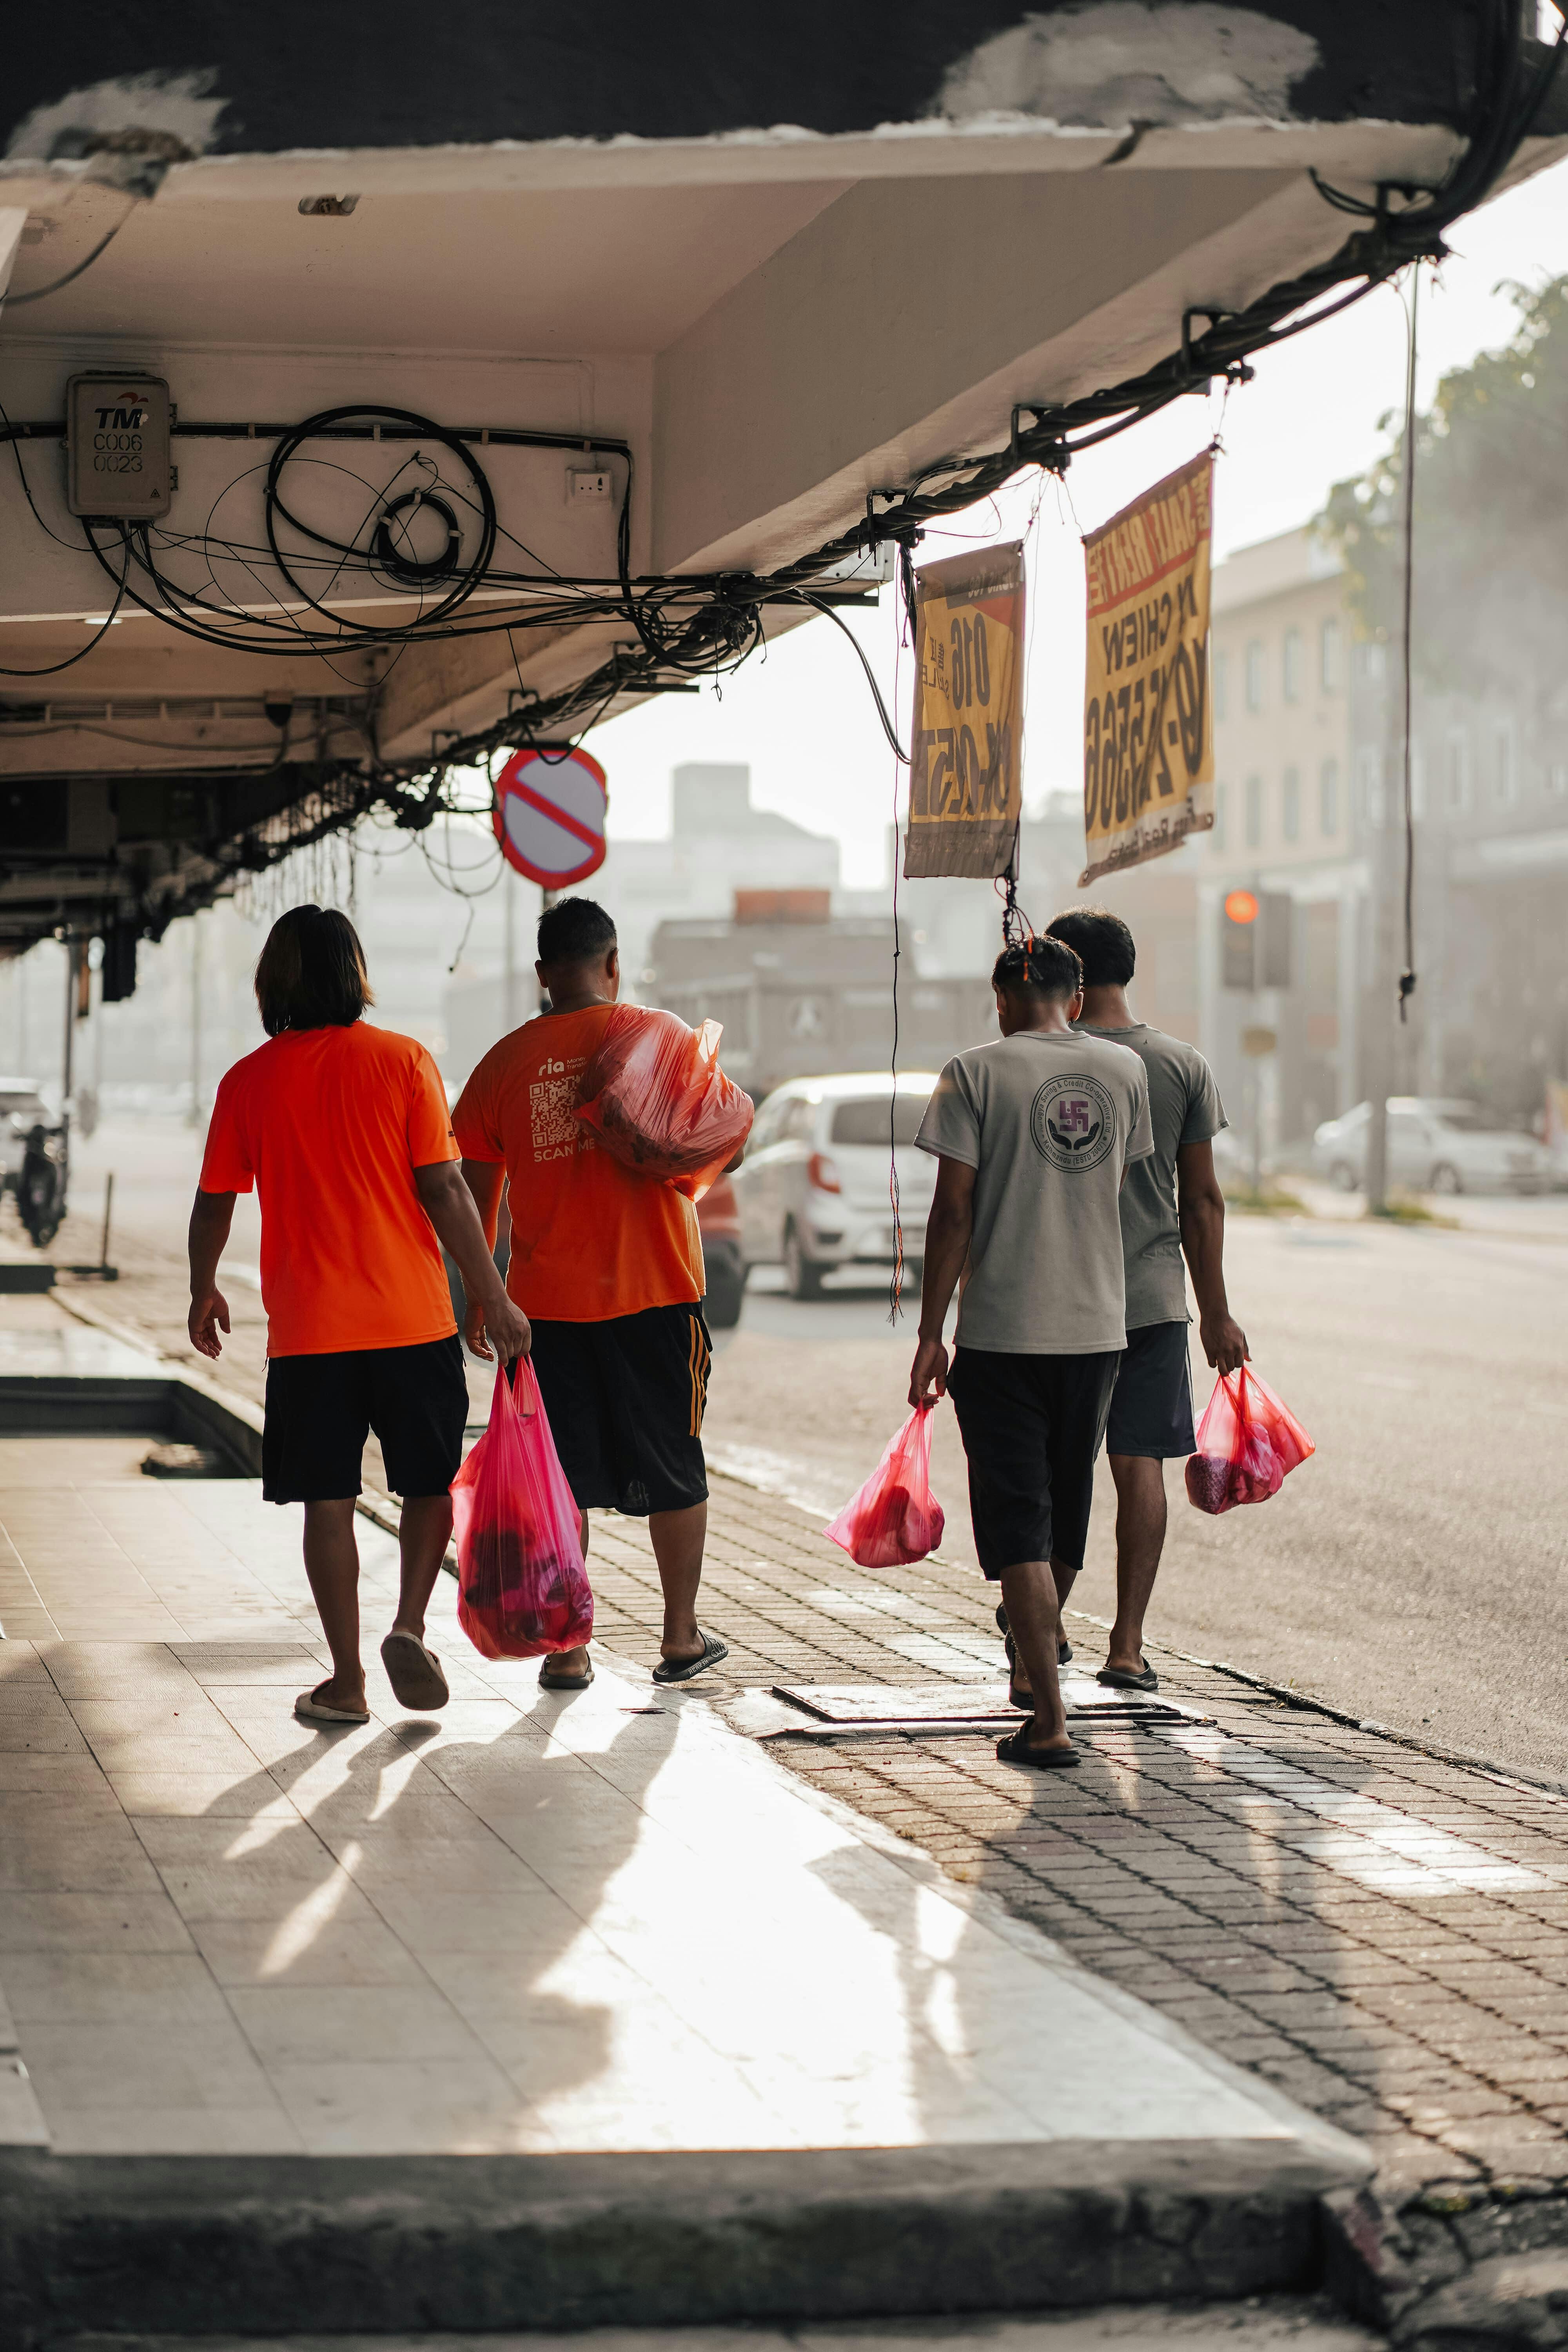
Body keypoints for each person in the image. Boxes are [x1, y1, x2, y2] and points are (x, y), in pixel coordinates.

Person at [188, 905, 529, 1727]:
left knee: (327, 1503)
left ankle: (346, 1682)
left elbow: (214, 1202)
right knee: (423, 1484)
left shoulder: (248, 1080)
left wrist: (202, 1287)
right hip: (411, 1322)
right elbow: (445, 1191)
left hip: (310, 1333)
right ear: (355, 974)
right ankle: (410, 1624)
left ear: (272, 983)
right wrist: (492, 1295)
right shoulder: (405, 1061)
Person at [452, 895, 726, 1690]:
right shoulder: (659, 1036)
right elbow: (712, 1145)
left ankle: (569, 1646)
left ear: (543, 973)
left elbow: (476, 1186)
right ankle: (678, 1637)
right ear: (613, 962)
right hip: (656, 1294)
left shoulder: (505, 1061)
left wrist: (480, 1295)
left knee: (558, 1473)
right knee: (674, 1463)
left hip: (543, 1310)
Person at [909, 934, 1152, 1769]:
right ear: (1073, 1000)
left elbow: (951, 1213)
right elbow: (1111, 1185)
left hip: (1003, 1335)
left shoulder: (972, 1072)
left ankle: (1047, 1717)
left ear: (1002, 998)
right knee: (1061, 1513)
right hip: (1095, 1331)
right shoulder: (1124, 1074)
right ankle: (1031, 1669)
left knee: (1017, 1521)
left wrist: (928, 1333)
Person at [1042, 904, 1248, 1693]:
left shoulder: (1042, 1062)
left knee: (1059, 1469)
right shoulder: (1180, 1064)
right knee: (1139, 1472)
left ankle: (1043, 1617)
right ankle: (1125, 1648)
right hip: (1154, 1302)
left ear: (1073, 976)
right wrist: (1218, 1312)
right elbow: (1200, 1202)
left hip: (1061, 1303)